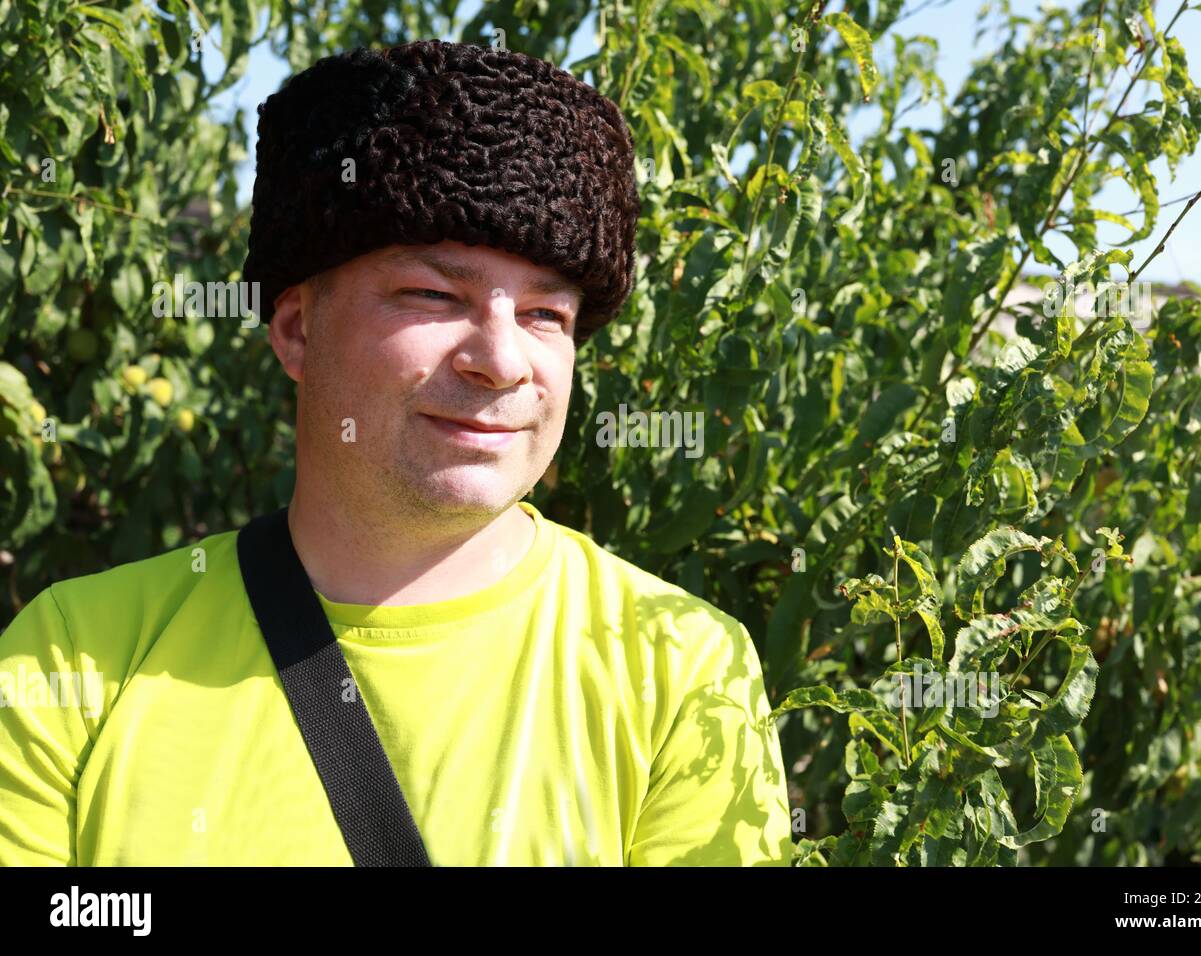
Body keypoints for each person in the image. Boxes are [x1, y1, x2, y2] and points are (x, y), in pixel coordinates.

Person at [0, 38, 793, 866]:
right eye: (432, 295)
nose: (502, 359)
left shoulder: (683, 669)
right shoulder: (72, 660)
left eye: (544, 315)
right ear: (299, 329)